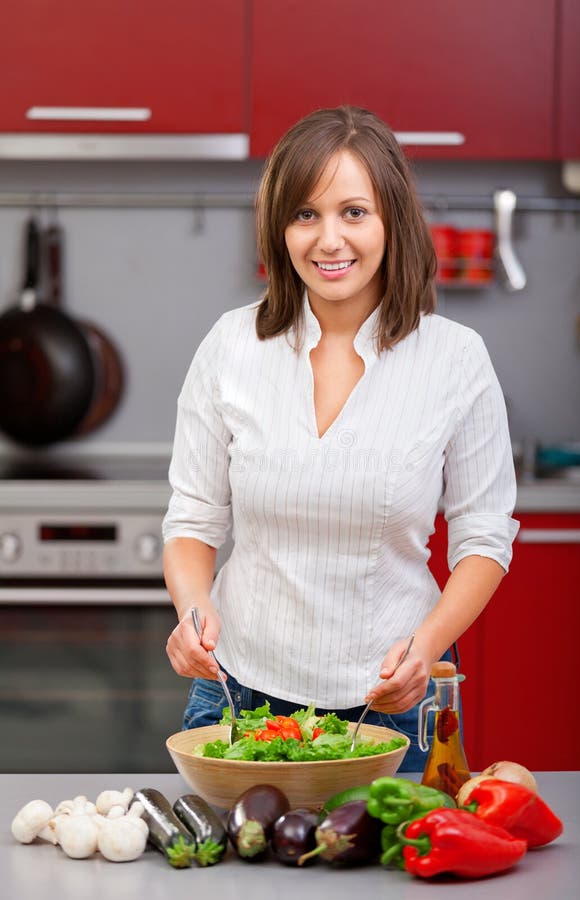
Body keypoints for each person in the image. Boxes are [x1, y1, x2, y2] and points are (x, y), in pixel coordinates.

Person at [162, 105, 519, 771]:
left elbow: (485, 537)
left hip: (393, 701)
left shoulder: (454, 359)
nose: (329, 240)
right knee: (227, 878)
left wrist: (425, 646)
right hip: (239, 695)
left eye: (353, 212)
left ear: (391, 220)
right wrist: (192, 613)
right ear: (279, 228)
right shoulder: (230, 347)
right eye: (305, 214)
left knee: (391, 875)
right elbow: (193, 520)